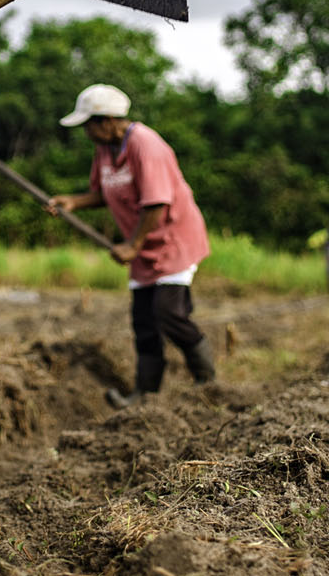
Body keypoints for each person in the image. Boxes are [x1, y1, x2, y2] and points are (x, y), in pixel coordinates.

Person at [46, 84, 214, 409]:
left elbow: (156, 203)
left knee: (169, 314)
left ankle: (207, 384)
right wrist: (73, 203)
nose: (86, 132)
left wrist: (132, 245)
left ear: (108, 120)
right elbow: (103, 193)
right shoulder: (105, 149)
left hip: (172, 241)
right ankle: (144, 396)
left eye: (89, 125)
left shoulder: (145, 145)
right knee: (143, 322)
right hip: (142, 248)